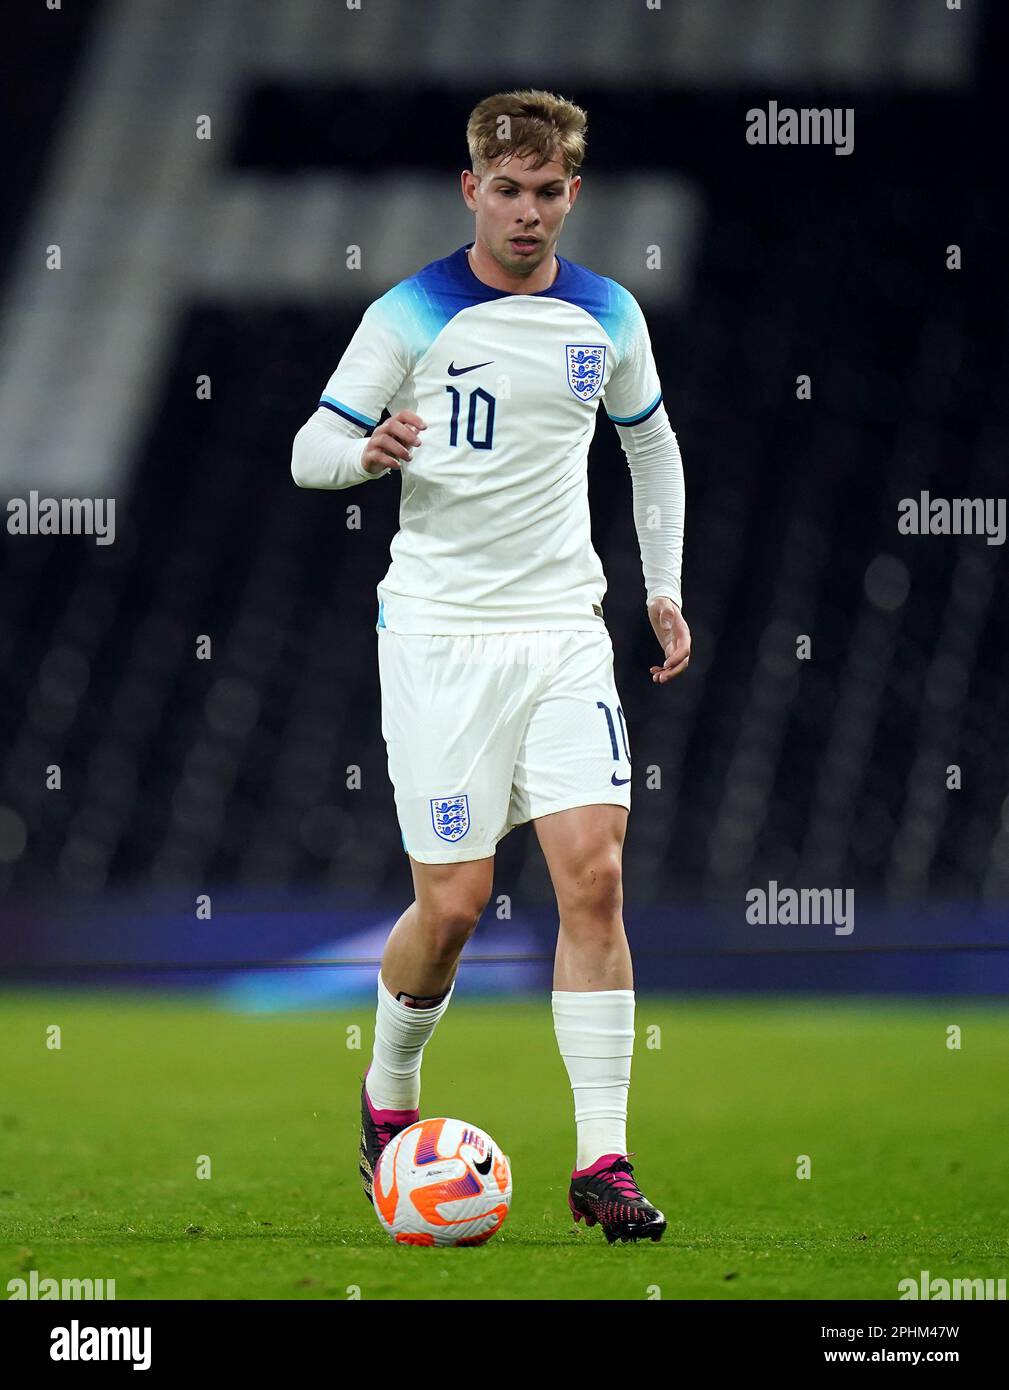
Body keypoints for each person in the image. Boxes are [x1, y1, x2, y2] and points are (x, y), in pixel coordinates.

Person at [291, 88, 690, 1244]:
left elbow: (651, 449)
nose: (526, 211)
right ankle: (390, 1092)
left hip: (564, 629)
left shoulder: (608, 314)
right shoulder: (410, 312)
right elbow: (309, 446)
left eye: (546, 190)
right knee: (453, 907)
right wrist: (365, 452)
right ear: (472, 189)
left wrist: (660, 588)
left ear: (575, 192)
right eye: (505, 190)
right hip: (438, 634)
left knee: (594, 876)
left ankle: (601, 1161)